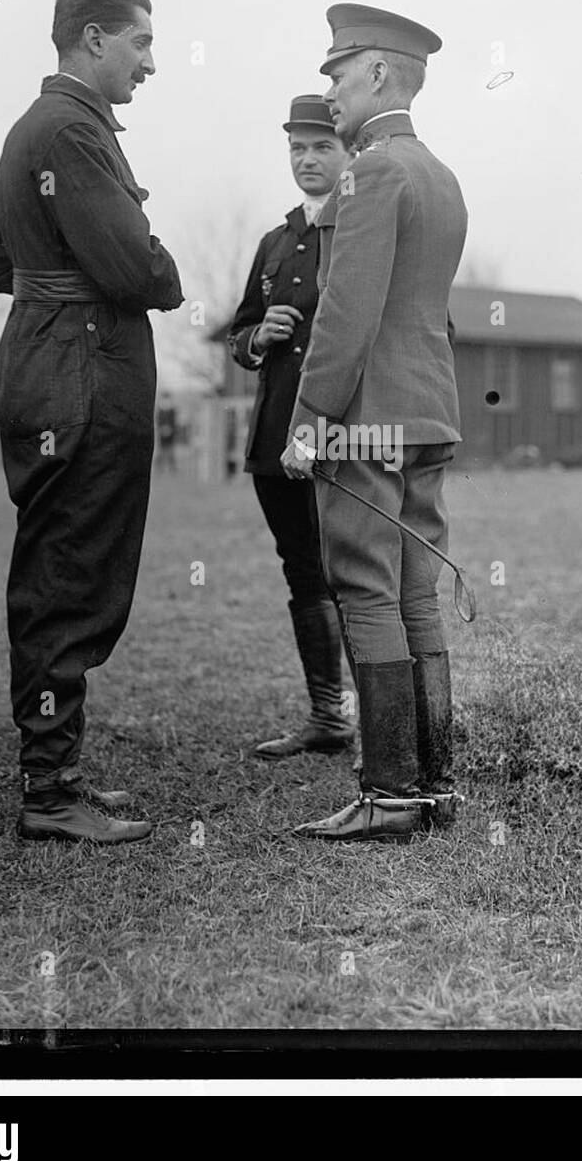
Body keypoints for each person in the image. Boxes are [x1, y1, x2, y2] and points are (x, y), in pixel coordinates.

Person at [0, 0, 183, 844]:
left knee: (67, 565)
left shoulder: (37, 128)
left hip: (54, 366)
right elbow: (142, 272)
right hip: (84, 379)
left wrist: (50, 289)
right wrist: (112, 282)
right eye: (140, 42)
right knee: (67, 575)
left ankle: (61, 774)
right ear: (92, 40)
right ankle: (48, 795)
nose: (150, 64)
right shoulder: (72, 133)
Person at [281, 4, 467, 841]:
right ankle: (436, 785)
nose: (332, 87)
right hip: (430, 410)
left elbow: (347, 313)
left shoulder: (369, 172)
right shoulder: (440, 174)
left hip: (367, 421)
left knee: (363, 585)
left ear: (380, 74)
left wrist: (310, 419)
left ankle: (390, 793)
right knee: (414, 588)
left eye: (339, 71)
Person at [228, 95, 355, 758]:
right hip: (278, 437)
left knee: (354, 574)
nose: (307, 160)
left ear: (347, 153)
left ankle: (381, 727)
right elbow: (237, 331)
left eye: (321, 147)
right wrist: (257, 335)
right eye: (297, 149)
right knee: (302, 571)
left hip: (341, 437)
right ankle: (328, 717)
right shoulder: (275, 242)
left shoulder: (364, 226)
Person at [156, 390, 178, 472]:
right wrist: (162, 429)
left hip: (170, 432)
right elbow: (159, 421)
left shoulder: (171, 409)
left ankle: (171, 466)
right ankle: (160, 467)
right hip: (163, 432)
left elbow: (173, 421)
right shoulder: (161, 409)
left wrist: (170, 429)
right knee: (162, 449)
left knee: (170, 449)